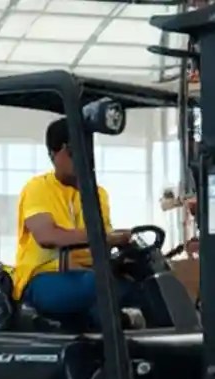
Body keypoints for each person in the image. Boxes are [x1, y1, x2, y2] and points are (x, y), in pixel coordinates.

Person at [11, 117, 134, 325]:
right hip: (44, 277)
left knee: (143, 284)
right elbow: (47, 236)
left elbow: (104, 241)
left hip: (87, 274)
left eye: (86, 149)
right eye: (72, 151)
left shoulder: (97, 194)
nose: (82, 157)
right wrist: (106, 238)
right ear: (53, 153)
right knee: (101, 285)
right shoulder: (37, 189)